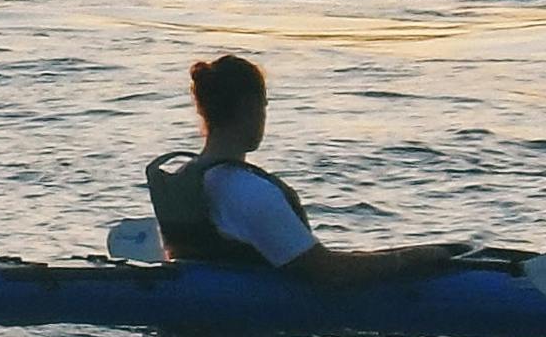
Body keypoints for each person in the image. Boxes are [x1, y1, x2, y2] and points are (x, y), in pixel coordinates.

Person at [146, 50, 472, 291]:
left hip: (203, 307)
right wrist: (418, 257)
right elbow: (329, 272)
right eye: (264, 106)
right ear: (250, 107)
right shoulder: (248, 191)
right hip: (248, 323)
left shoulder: (188, 177)